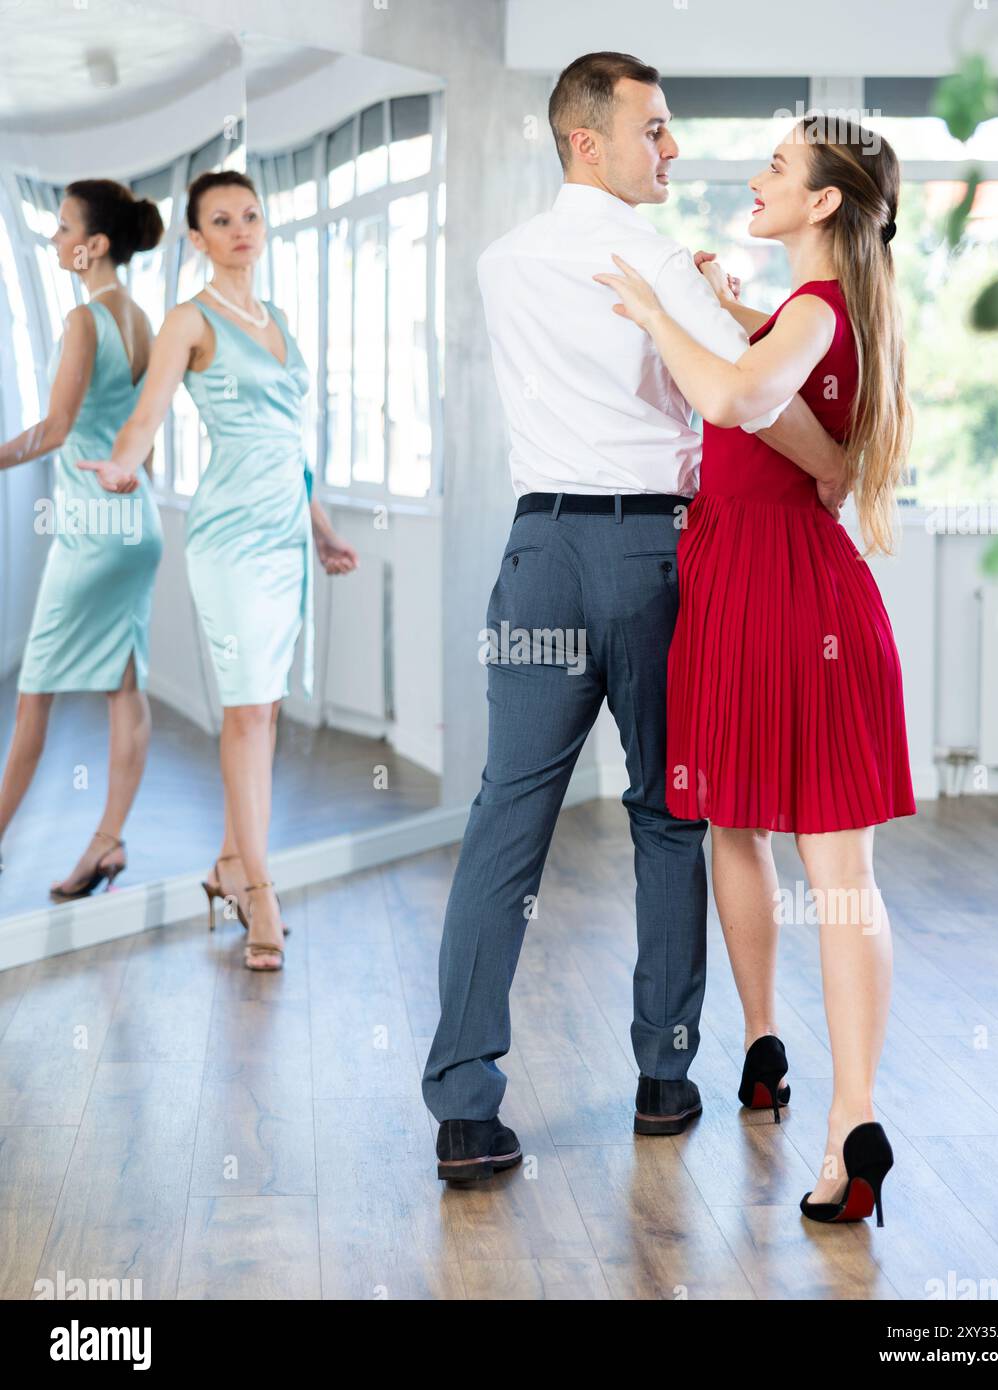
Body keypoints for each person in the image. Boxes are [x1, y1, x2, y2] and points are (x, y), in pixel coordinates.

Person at [421, 52, 847, 1183]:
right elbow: (753, 393)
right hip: (659, 556)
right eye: (652, 130)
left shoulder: (499, 260)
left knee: (506, 816)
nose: (670, 149)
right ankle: (664, 1079)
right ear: (586, 143)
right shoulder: (656, 258)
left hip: (537, 554)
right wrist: (839, 465)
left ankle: (463, 1109)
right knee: (667, 812)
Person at [595, 113, 915, 1226]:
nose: (753, 175)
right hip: (795, 592)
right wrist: (721, 307)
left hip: (756, 592)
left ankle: (785, 1063)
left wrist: (650, 310)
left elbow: (734, 398)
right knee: (833, 871)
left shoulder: (815, 313)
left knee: (738, 829)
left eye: (777, 166)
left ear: (822, 202)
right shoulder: (824, 313)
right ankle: (833, 1102)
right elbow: (796, 425)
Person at [79, 171, 357, 970]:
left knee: (263, 712)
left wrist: (324, 531)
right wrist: (122, 464)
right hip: (232, 542)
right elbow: (146, 416)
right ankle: (261, 894)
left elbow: (290, 449)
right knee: (246, 713)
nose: (241, 229)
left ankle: (230, 866)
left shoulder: (277, 322)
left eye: (250, 215)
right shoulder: (187, 320)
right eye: (221, 221)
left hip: (283, 537)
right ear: (197, 240)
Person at [0, 179, 163, 897]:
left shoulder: (83, 321)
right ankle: (108, 844)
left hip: (92, 534)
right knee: (122, 682)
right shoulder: (142, 321)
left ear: (93, 246)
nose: (55, 239)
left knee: (35, 691)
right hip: (137, 524)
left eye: (63, 228)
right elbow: (145, 444)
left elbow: (56, 430)